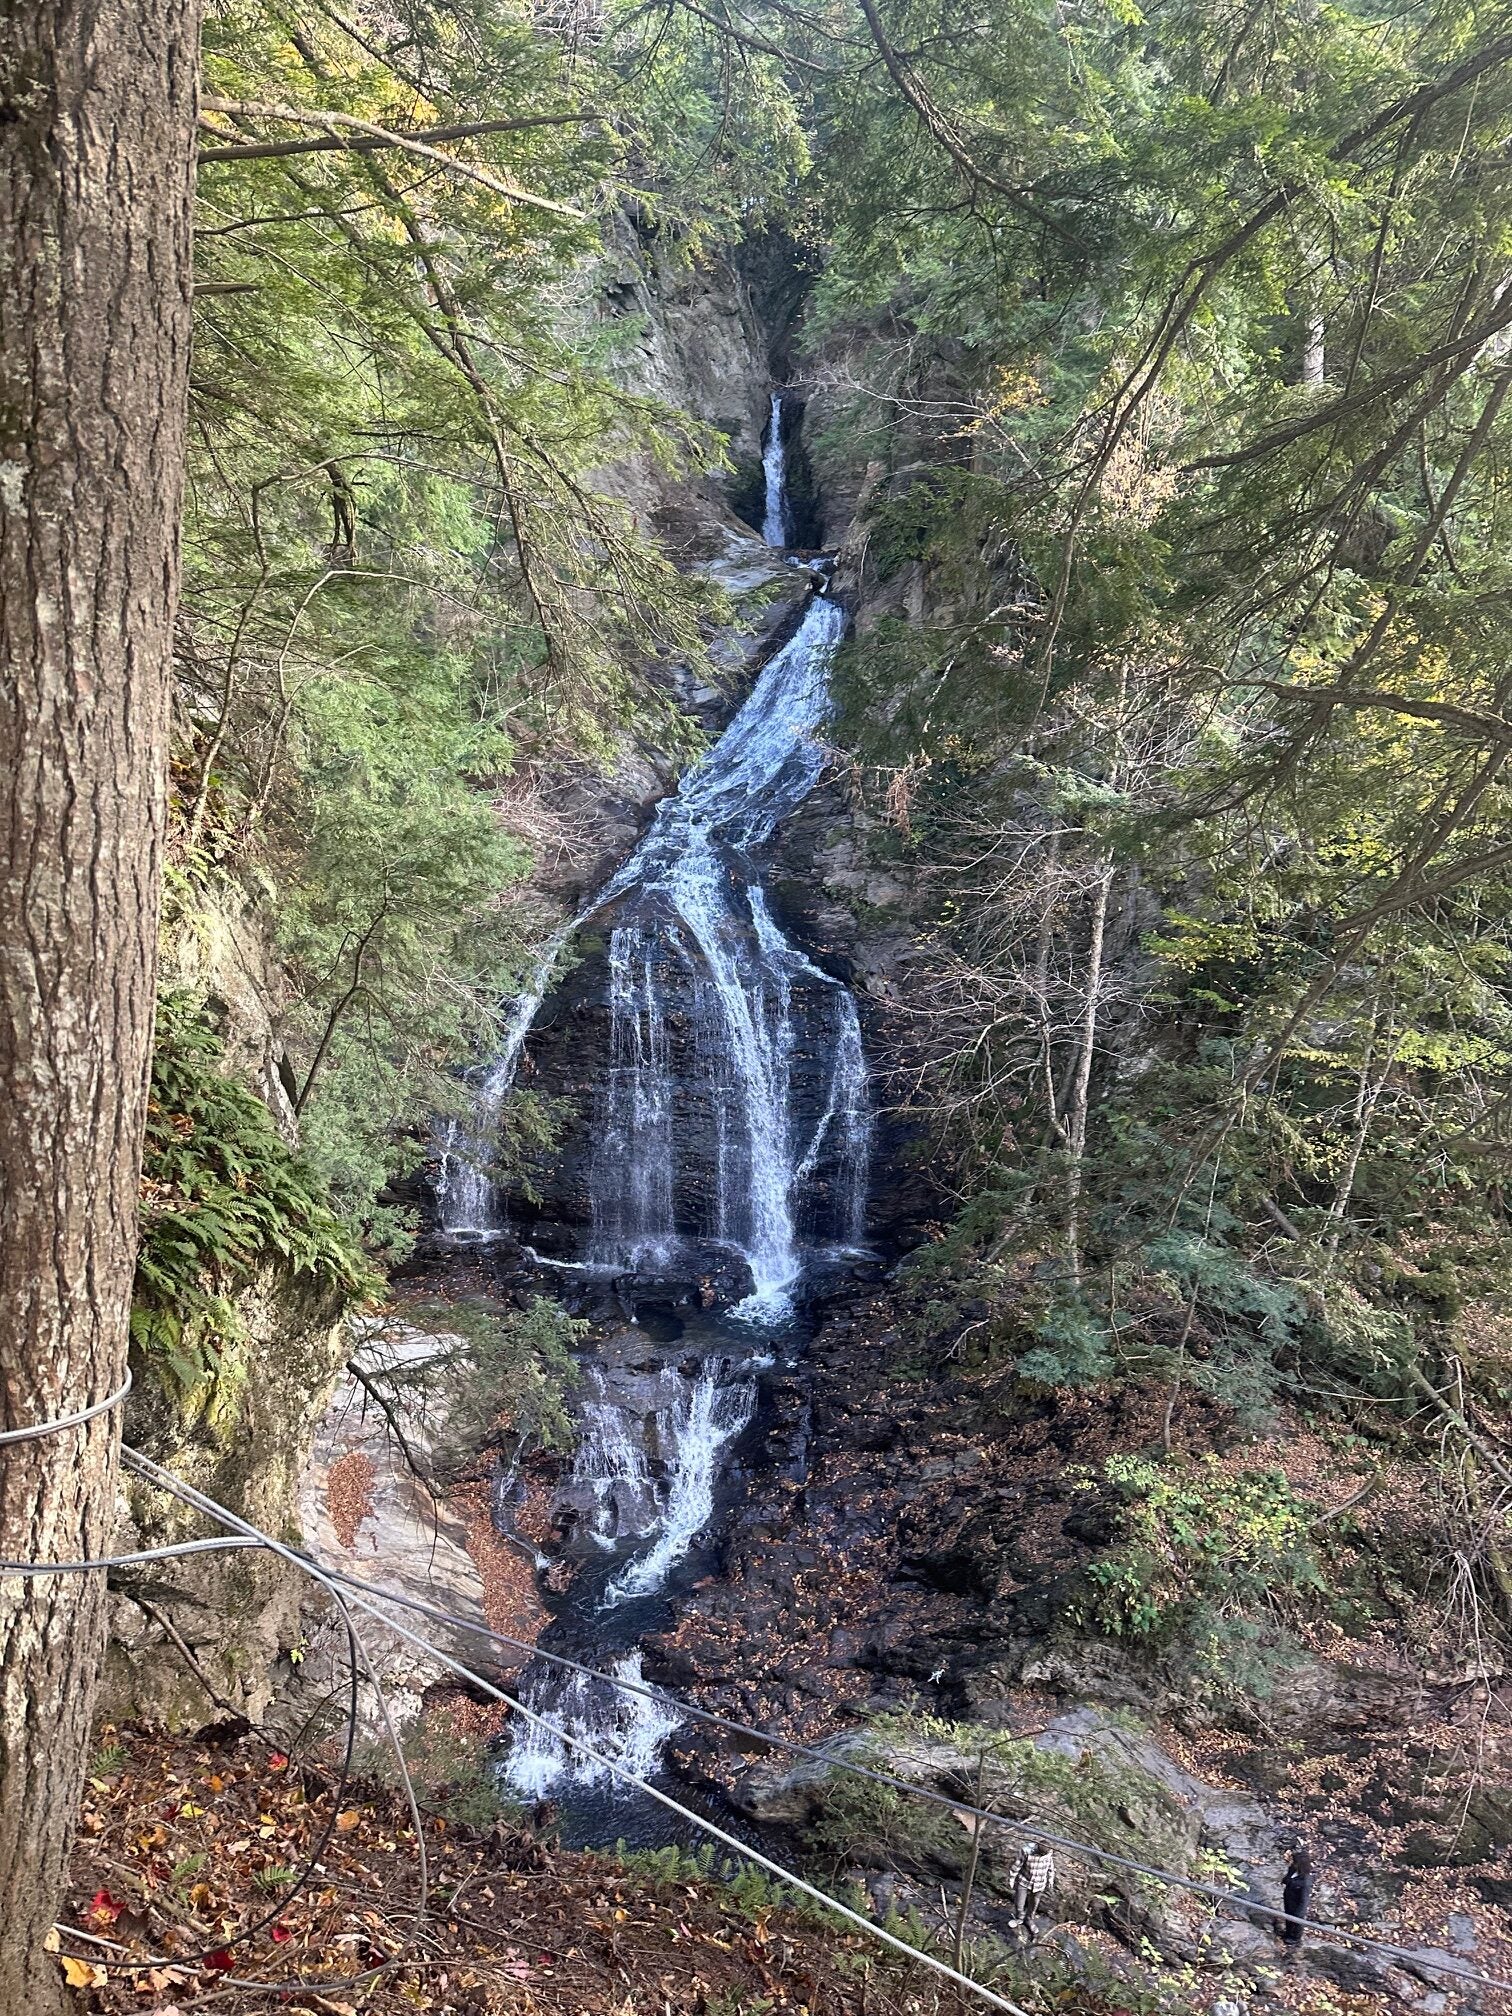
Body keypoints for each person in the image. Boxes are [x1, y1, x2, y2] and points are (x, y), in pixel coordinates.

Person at [1011, 1839, 1056, 1941]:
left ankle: (1029, 1919)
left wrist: (1050, 1879)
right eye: (1041, 1854)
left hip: (1039, 1884)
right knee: (1019, 1903)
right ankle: (1020, 1918)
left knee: (1034, 1904)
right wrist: (1012, 1878)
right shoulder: (1026, 1850)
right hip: (1024, 1880)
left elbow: (1050, 1867)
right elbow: (1017, 1865)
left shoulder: (1048, 1854)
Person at [1279, 1843, 1314, 1946]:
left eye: (1295, 1863)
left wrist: (1300, 1914)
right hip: (1289, 1898)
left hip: (1297, 1903)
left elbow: (1304, 1900)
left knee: (1296, 1921)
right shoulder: (1293, 1870)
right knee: (1288, 1917)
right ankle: (1288, 1933)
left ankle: (1295, 1938)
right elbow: (1287, 1879)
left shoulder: (1306, 1882)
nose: (1293, 1864)